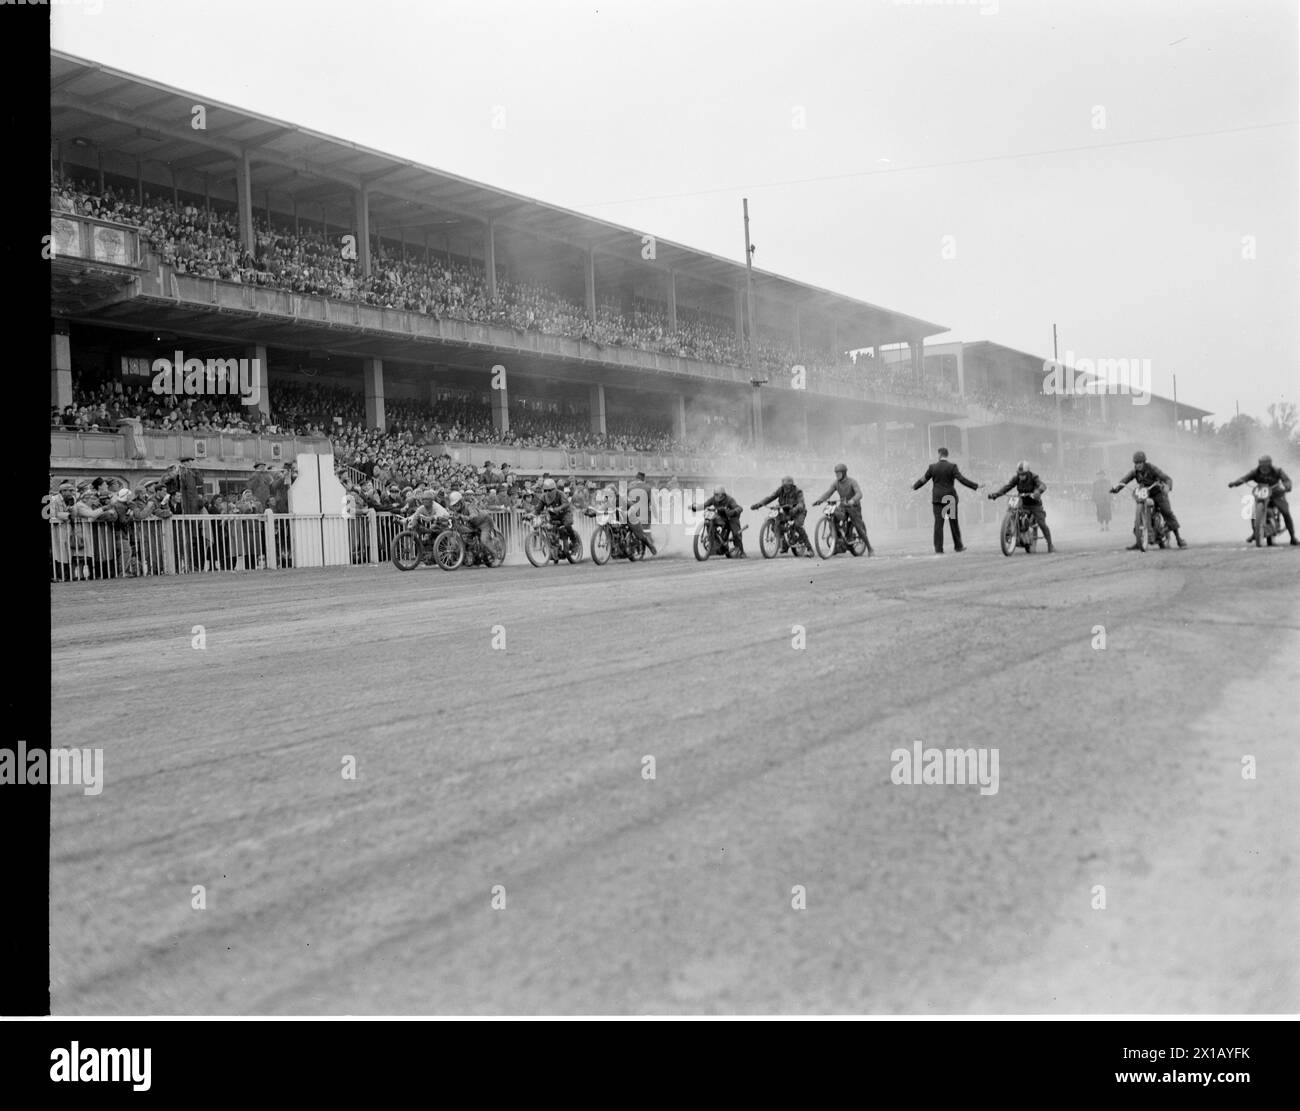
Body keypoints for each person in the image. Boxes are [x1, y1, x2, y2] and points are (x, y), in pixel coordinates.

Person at [1111, 451, 1186, 549]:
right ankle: (1139, 541)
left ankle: (1178, 539)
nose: (1138, 465)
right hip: (1146, 494)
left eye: (1140, 463)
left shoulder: (1152, 468)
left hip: (1158, 492)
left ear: (1144, 462)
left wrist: (1168, 487)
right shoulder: (1134, 472)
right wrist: (1116, 488)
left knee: (1167, 512)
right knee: (1139, 513)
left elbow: (1167, 478)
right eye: (1136, 463)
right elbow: (1124, 480)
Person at [912, 447, 980, 554]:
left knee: (938, 525)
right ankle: (958, 546)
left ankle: (938, 549)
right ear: (947, 455)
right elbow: (961, 479)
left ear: (939, 455)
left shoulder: (932, 467)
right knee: (953, 523)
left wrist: (914, 486)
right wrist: (975, 486)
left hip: (938, 499)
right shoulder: (952, 467)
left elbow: (923, 479)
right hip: (949, 498)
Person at [988, 460, 1056, 553]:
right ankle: (1009, 530)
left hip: (1034, 504)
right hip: (1022, 502)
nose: (1021, 476)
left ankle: (1050, 545)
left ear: (1027, 472)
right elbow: (1007, 487)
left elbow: (1042, 485)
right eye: (1019, 474)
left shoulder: (1034, 477)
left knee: (1041, 523)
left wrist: (1037, 491)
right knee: (1011, 509)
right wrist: (996, 494)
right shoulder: (1016, 478)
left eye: (1023, 474)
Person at [1228, 454, 1297, 545]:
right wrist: (1235, 483)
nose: (1264, 467)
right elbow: (1244, 478)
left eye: (1266, 465)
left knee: (1285, 512)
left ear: (1270, 464)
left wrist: (1287, 486)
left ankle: (1292, 537)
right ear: (1259, 464)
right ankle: (1255, 532)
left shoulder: (1277, 471)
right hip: (1261, 494)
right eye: (1262, 465)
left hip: (1276, 493)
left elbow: (1286, 480)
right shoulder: (1255, 472)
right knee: (1254, 512)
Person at [812, 463, 873, 556]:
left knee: (859, 527)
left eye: (839, 473)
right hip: (843, 505)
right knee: (833, 517)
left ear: (844, 473)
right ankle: (837, 544)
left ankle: (870, 548)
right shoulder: (836, 483)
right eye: (836, 473)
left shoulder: (852, 482)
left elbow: (859, 494)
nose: (837, 475)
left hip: (853, 507)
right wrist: (820, 500)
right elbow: (828, 493)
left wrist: (852, 500)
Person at [751, 475, 811, 556]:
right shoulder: (780, 490)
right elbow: (770, 498)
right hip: (787, 511)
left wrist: (795, 509)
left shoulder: (798, 491)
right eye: (785, 486)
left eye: (788, 486)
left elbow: (801, 503)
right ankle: (785, 544)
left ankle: (810, 549)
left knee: (797, 526)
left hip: (799, 512)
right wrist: (759, 504)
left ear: (791, 485)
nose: (786, 488)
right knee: (776, 526)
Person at [690, 484, 746, 557]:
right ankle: (713, 543)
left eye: (717, 495)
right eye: (715, 495)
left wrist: (733, 512)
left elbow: (739, 508)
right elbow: (705, 505)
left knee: (736, 533)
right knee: (711, 521)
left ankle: (741, 552)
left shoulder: (729, 500)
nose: (716, 497)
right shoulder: (713, 499)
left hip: (731, 517)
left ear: (722, 495)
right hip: (721, 517)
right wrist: (696, 508)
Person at [533, 478, 579, 552]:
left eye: (550, 490)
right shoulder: (543, 497)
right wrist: (531, 514)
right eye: (545, 490)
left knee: (567, 525)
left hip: (565, 514)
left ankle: (575, 542)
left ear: (554, 489)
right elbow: (538, 509)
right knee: (548, 527)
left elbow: (566, 503)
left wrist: (557, 509)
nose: (548, 492)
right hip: (553, 516)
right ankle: (554, 544)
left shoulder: (560, 494)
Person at [626, 471, 658, 556]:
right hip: (645, 516)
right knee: (646, 533)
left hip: (632, 515)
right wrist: (656, 516)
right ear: (644, 479)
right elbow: (653, 504)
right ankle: (652, 548)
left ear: (636, 478)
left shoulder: (629, 488)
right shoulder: (648, 488)